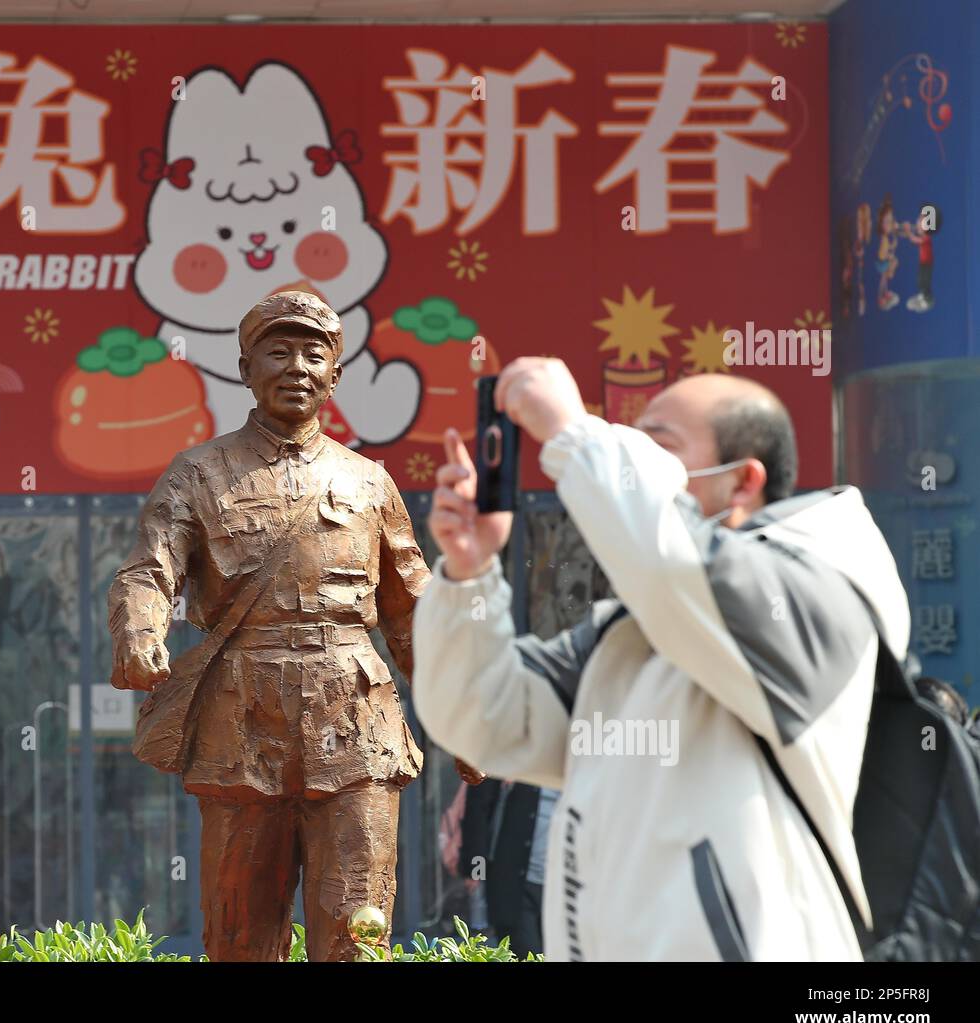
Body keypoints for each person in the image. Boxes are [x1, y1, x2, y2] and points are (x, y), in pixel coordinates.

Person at [412, 359, 910, 961]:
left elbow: (673, 565)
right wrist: (470, 575)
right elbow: (484, 719)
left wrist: (572, 432)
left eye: (657, 444)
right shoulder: (635, 631)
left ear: (743, 481)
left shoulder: (818, 588)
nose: (633, 457)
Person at [108, 291, 433, 962]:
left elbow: (410, 611)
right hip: (242, 717)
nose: (297, 367)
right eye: (277, 352)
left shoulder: (369, 481)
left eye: (315, 355)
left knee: (359, 925)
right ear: (245, 368)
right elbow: (149, 569)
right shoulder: (199, 473)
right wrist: (142, 633)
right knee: (241, 928)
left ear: (335, 376)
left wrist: (466, 713)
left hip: (356, 716)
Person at [462, 778, 556, 956]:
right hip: (513, 886)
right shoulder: (509, 760)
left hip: (563, 885)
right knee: (524, 952)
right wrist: (475, 871)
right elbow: (478, 810)